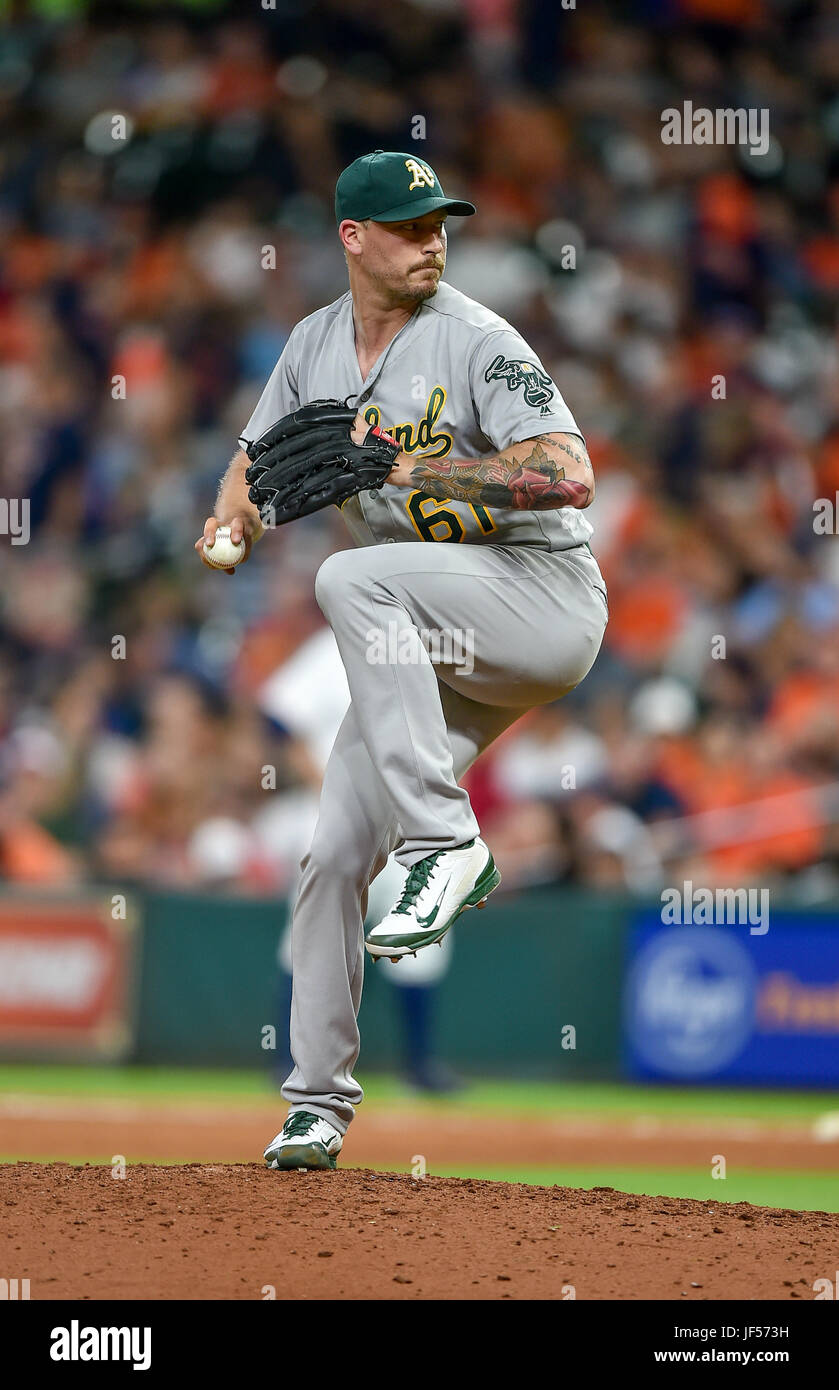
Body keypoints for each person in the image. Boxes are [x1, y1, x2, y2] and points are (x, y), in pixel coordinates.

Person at [196, 150, 608, 1171]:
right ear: (352, 237)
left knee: (352, 580)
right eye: (411, 225)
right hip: (430, 643)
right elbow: (258, 458)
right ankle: (315, 1107)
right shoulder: (310, 347)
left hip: (538, 603)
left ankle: (443, 843)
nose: (432, 240)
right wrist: (226, 523)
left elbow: (569, 474)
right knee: (331, 855)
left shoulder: (475, 339)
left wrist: (414, 464)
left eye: (439, 223)